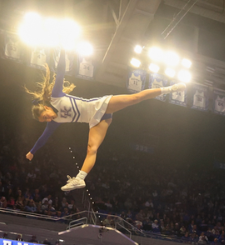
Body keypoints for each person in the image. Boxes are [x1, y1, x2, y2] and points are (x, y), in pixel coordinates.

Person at [25, 51, 186, 192]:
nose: (48, 119)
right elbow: (43, 138)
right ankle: (80, 179)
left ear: (46, 108)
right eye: (44, 121)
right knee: (91, 149)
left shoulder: (56, 96)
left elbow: (60, 72)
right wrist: (32, 151)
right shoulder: (54, 123)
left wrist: (62, 49)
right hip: (95, 121)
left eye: (45, 116)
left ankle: (170, 89)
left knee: (134, 98)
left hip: (99, 105)